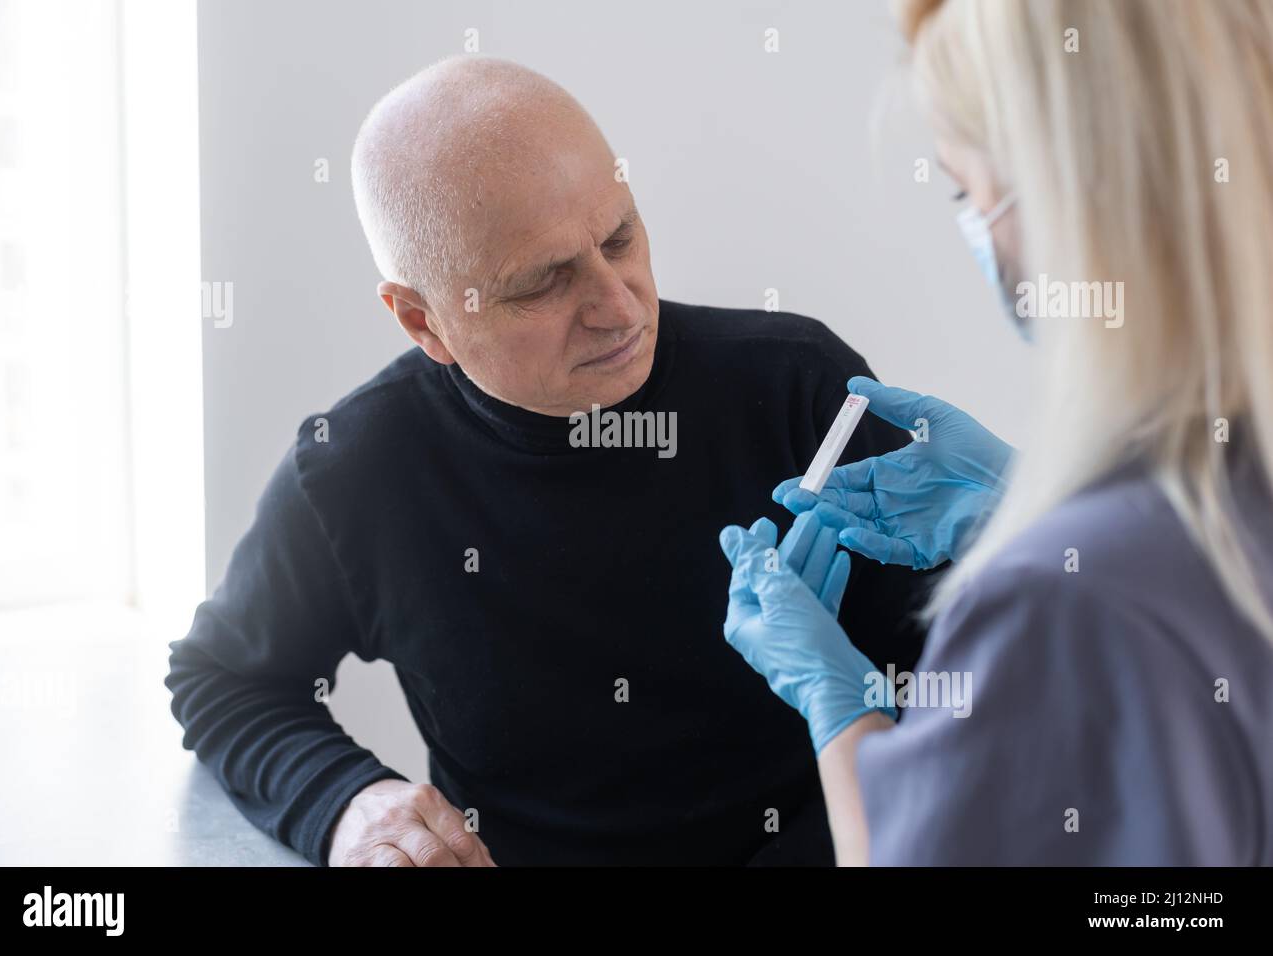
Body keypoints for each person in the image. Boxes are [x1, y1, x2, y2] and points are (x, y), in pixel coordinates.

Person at [166, 56, 933, 867]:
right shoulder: (359, 471)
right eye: (543, 283)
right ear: (423, 321)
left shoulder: (799, 391)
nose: (620, 304)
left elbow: (968, 675)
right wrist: (348, 805)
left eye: (619, 237)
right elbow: (223, 681)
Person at [721, 0, 1273, 865]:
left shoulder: (1048, 607)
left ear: (1063, 200)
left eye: (966, 190)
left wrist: (836, 700)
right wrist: (1028, 509)